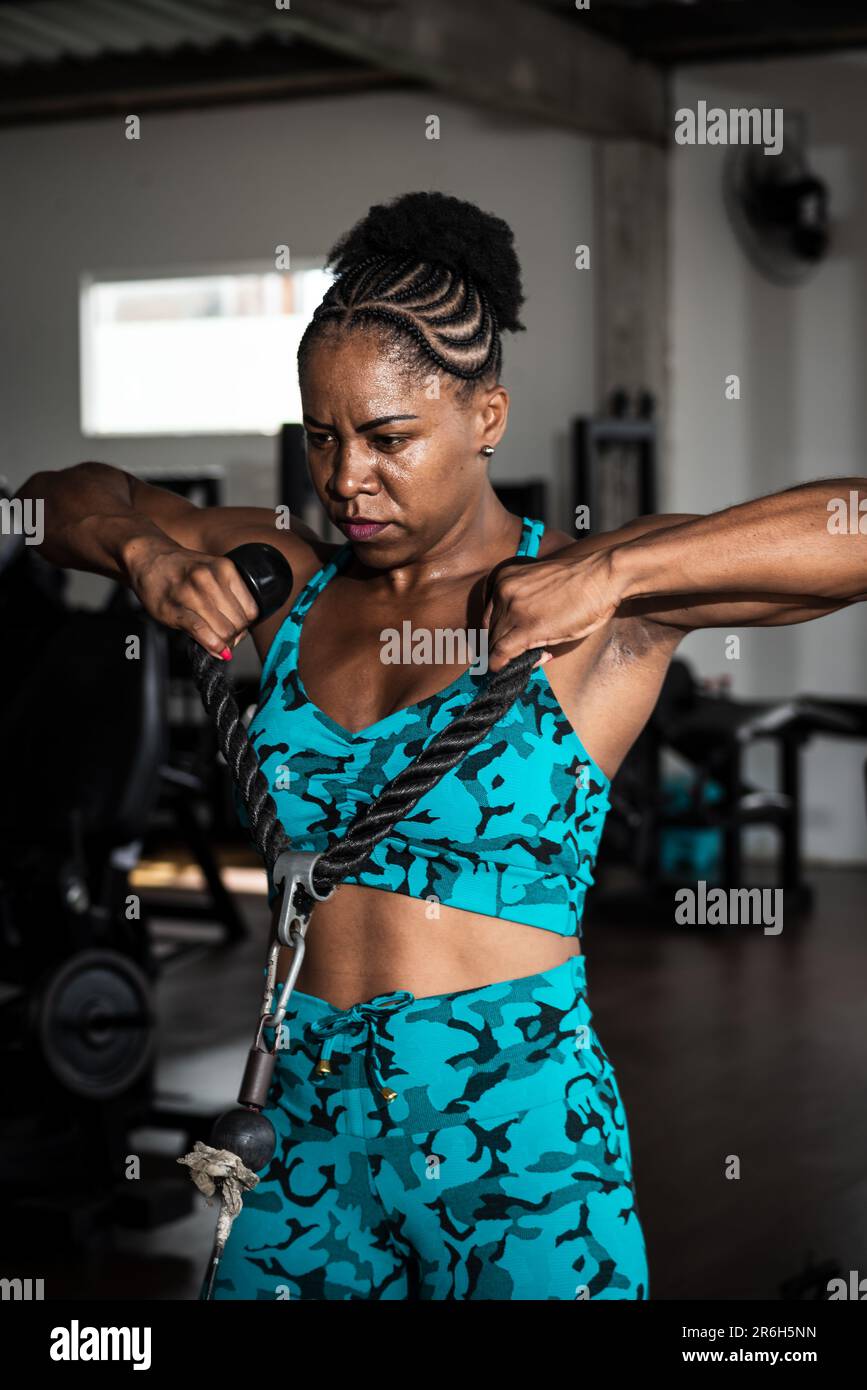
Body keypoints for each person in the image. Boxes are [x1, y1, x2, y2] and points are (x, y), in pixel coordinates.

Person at [20, 191, 866, 1301]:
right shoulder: (292, 583)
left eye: (387, 437)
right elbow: (42, 500)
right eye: (319, 437)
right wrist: (145, 554)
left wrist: (619, 568)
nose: (345, 478)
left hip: (519, 1133)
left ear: (488, 417)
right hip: (299, 1116)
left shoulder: (585, 603)